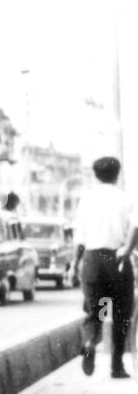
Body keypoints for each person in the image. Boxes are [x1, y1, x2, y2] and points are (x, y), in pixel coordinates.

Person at [74, 156, 137, 378]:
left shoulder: (86, 200)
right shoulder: (126, 199)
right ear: (117, 174)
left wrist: (75, 266)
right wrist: (128, 250)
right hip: (117, 262)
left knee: (96, 310)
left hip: (93, 261)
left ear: (96, 175)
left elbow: (80, 237)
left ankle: (91, 341)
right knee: (121, 314)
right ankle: (116, 366)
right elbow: (136, 226)